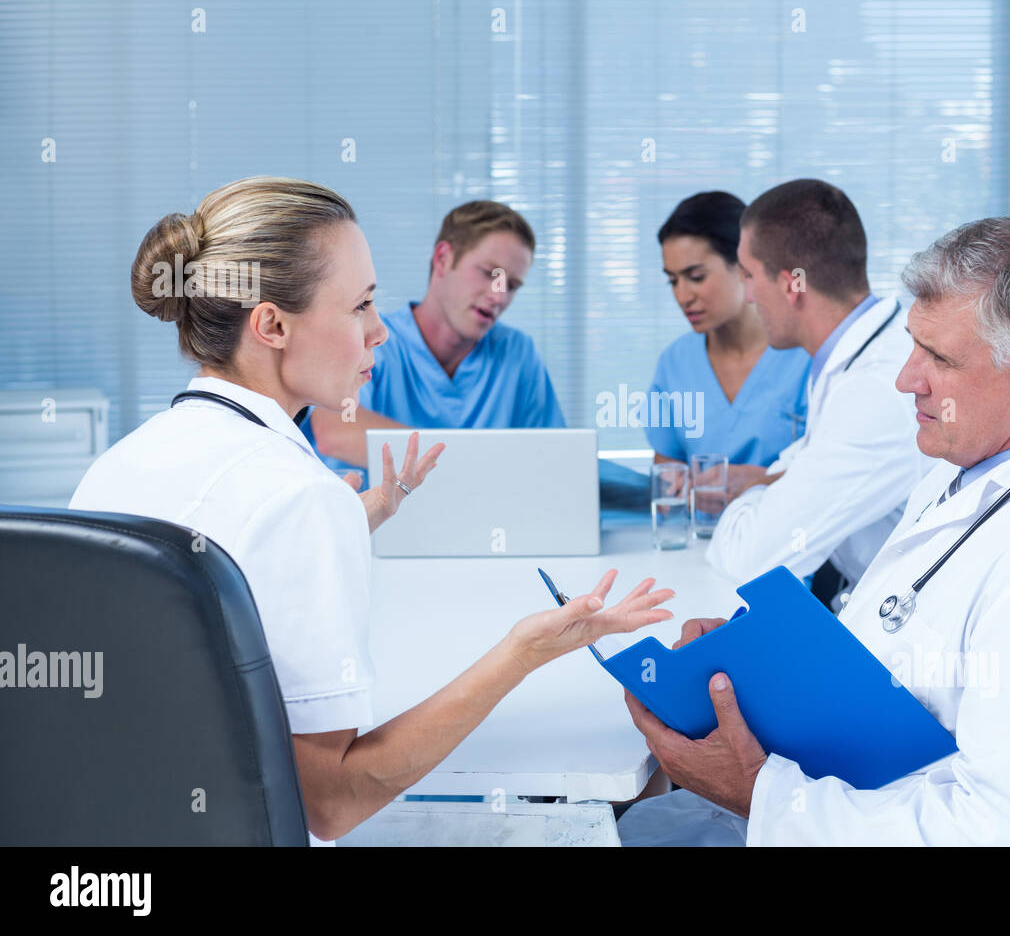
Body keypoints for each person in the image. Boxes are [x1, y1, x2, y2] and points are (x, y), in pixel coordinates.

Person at [68, 177, 673, 845]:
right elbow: (335, 801)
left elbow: (224, 572)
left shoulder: (117, 467)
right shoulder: (300, 496)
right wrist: (523, 652)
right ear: (271, 325)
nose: (379, 332)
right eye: (359, 306)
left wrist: (361, 513)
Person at [616, 217, 1010, 846]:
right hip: (826, 794)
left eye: (939, 358)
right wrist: (763, 663)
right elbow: (889, 648)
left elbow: (996, 832)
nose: (906, 379)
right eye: (912, 344)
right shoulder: (970, 459)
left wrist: (759, 793)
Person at [704, 179, 929, 595]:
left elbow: (748, 560)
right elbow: (800, 462)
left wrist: (755, 490)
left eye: (750, 275)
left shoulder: (877, 390)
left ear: (792, 285)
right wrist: (777, 486)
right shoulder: (857, 356)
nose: (748, 295)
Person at [303, 200, 565, 480]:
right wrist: (472, 468)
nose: (499, 296)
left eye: (511, 285)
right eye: (489, 274)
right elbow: (335, 431)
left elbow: (555, 459)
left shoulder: (517, 354)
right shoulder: (375, 341)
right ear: (443, 259)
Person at [647, 191, 809, 481]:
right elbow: (667, 467)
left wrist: (757, 482)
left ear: (743, 265)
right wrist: (675, 485)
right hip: (703, 527)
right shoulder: (675, 363)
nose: (682, 296)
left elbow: (834, 476)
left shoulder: (804, 355)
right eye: (672, 281)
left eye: (696, 277)